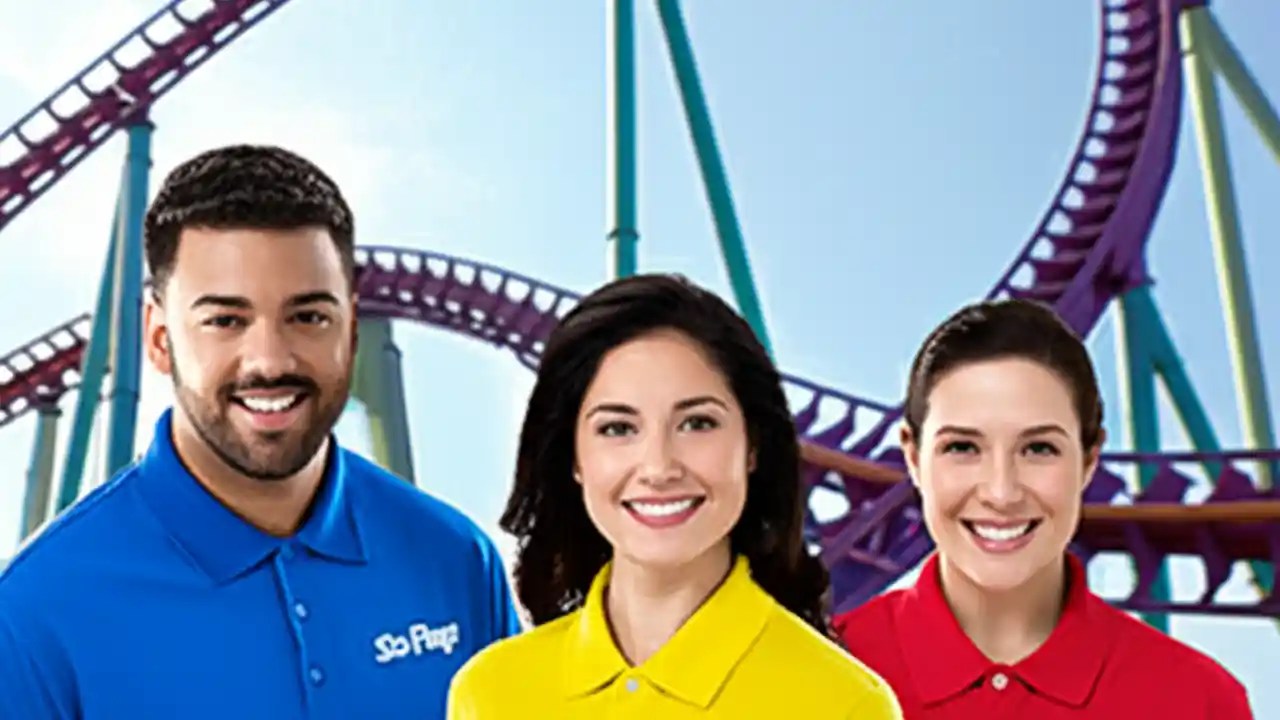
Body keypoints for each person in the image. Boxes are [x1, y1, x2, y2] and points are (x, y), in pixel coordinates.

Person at [0, 144, 522, 719]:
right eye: (225, 321)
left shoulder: (455, 560)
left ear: (350, 327)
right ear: (158, 336)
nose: (269, 360)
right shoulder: (37, 610)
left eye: (308, 317)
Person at [445, 273, 903, 719]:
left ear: (753, 446)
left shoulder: (844, 705)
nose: (659, 468)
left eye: (697, 423)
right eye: (618, 428)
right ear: (574, 459)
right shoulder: (490, 693)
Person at [833, 298, 1254, 718]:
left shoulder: (1198, 699)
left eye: (1038, 448)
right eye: (962, 447)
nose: (1001, 492)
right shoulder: (827, 672)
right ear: (912, 456)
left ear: (1089, 460)